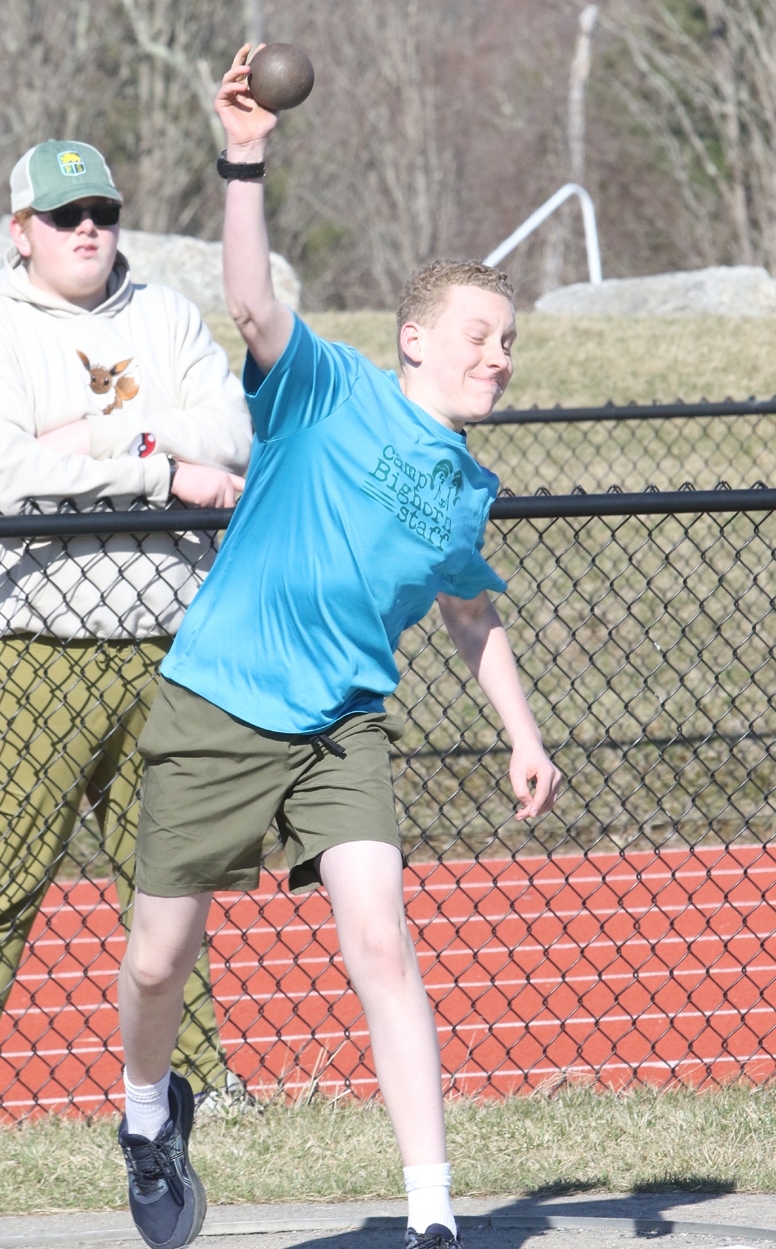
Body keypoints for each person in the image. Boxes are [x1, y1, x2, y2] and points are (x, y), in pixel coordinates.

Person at [114, 47, 562, 1249]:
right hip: (217, 703)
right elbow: (253, 303)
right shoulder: (326, 390)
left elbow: (469, 611)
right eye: (479, 334)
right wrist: (246, 157)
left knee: (381, 939)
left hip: (340, 728)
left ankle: (432, 1214)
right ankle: (147, 1114)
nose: (498, 357)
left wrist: (521, 733)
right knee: (158, 962)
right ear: (414, 339)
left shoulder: (468, 486)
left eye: (510, 341)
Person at [0, 139, 252, 1140]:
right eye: (62, 215)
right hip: (29, 643)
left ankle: (211, 1084)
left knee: (167, 882)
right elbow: (1, 479)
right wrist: (155, 466)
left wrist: (86, 443)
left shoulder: (165, 315)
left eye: (100, 209)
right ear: (20, 232)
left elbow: (228, 435)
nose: (86, 227)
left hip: (164, 640)